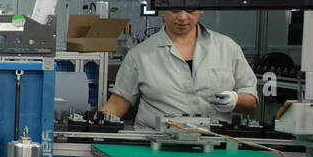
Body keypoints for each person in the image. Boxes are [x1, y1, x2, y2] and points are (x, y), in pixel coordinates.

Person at [99, 9, 258, 130]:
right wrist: (92, 127)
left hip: (214, 147)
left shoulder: (227, 48)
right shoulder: (140, 55)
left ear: (201, 9)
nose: (182, 17)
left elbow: (251, 99)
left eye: (190, 10)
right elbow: (119, 102)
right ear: (161, 10)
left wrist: (235, 100)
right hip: (154, 149)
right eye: (175, 10)